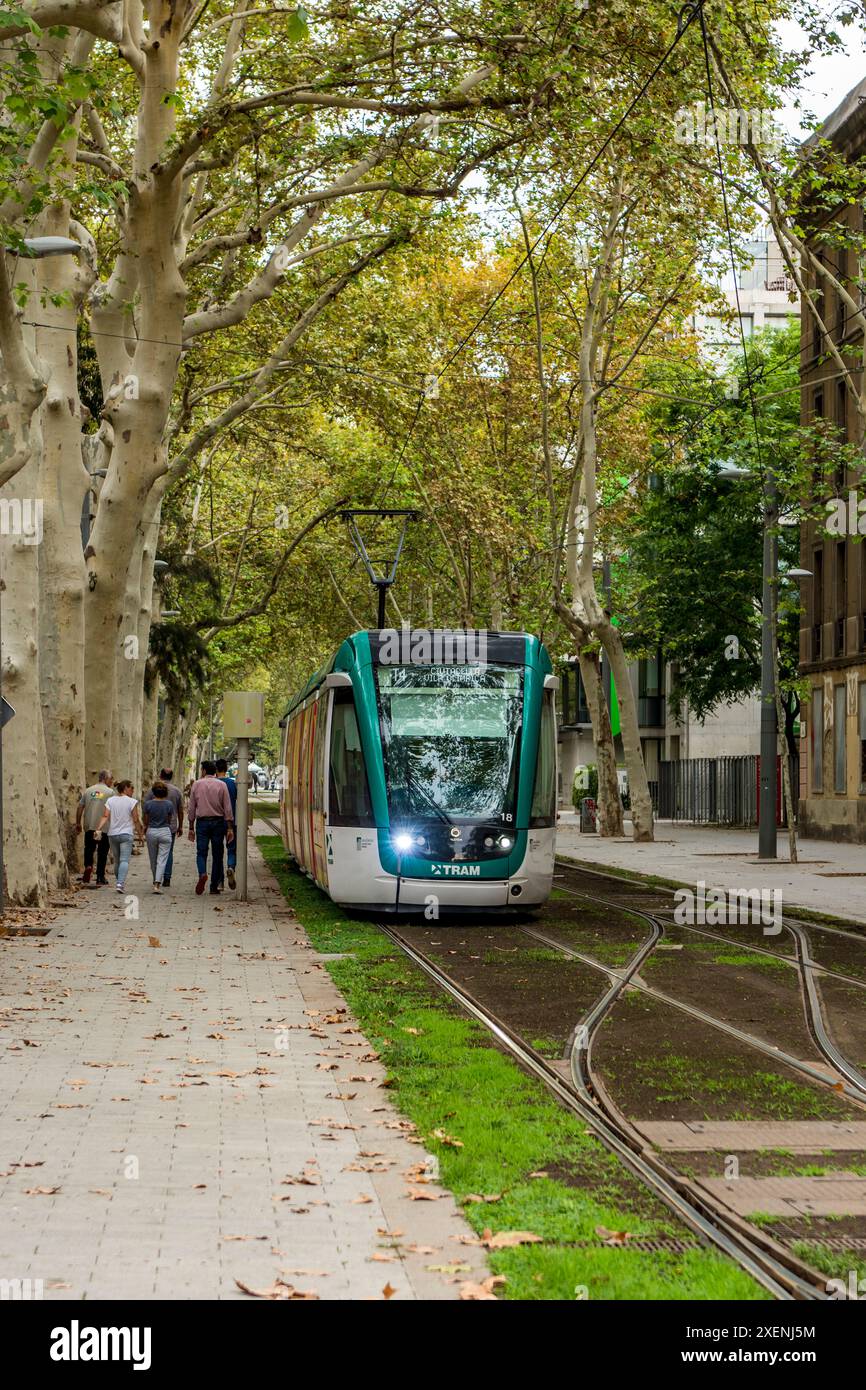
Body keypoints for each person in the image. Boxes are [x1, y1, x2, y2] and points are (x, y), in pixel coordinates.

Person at [188, 760, 234, 896]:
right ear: (214, 771)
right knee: (217, 855)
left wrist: (191, 826)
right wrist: (230, 827)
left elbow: (191, 807)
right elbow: (227, 807)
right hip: (218, 823)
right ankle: (214, 886)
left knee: (201, 853)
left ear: (203, 771)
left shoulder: (196, 784)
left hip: (202, 823)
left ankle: (202, 873)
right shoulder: (222, 785)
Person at [94, 780, 144, 893]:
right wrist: (140, 835)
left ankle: (119, 881)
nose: (133, 791)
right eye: (132, 788)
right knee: (124, 860)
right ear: (125, 788)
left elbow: (105, 816)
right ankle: (120, 883)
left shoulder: (110, 800)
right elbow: (135, 820)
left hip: (113, 834)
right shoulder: (132, 802)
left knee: (117, 861)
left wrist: (98, 828)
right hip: (126, 834)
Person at [144, 767, 184, 888]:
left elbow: (145, 810)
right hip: (169, 828)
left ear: (160, 775)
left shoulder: (152, 790)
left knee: (155, 855)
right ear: (171, 777)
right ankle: (166, 877)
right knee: (168, 853)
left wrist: (145, 826)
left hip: (152, 827)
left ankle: (156, 878)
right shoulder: (176, 791)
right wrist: (180, 825)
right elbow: (180, 810)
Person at [76, 771, 114, 885]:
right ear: (106, 779)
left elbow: (80, 807)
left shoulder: (88, 790)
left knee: (89, 849)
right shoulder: (110, 792)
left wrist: (78, 823)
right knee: (102, 852)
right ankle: (100, 877)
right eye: (111, 779)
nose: (112, 781)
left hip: (90, 825)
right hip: (103, 827)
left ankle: (88, 866)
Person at [142, 781, 177, 893]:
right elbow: (169, 819)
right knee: (162, 859)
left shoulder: (148, 804)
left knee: (153, 859)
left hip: (151, 831)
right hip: (165, 831)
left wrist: (146, 827)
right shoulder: (169, 804)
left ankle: (155, 880)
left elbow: (146, 820)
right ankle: (157, 883)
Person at [215, 758, 238, 890]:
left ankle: (219, 882)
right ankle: (230, 866)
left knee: (217, 852)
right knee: (231, 848)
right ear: (226, 768)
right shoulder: (232, 783)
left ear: (216, 769)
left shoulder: (213, 783)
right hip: (232, 820)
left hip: (217, 821)